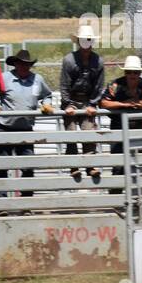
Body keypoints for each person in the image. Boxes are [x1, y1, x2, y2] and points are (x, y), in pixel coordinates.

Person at [0, 48, 54, 199]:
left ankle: (26, 198)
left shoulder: (37, 79)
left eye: (27, 64)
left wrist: (46, 103)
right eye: (21, 64)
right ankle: (1, 200)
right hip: (5, 128)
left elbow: (47, 94)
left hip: (26, 129)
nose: (24, 67)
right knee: (2, 165)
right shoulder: (4, 78)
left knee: (28, 165)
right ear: (15, 64)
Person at [101, 55, 142, 176]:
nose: (132, 75)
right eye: (129, 72)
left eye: (135, 72)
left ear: (140, 73)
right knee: (118, 165)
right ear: (125, 72)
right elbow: (103, 103)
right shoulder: (115, 85)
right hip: (118, 127)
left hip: (138, 128)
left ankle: (137, 193)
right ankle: (117, 192)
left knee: (139, 163)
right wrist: (122, 104)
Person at [60, 23, 105, 181]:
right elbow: (64, 84)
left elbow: (99, 86)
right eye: (84, 41)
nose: (86, 44)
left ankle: (90, 165)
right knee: (71, 134)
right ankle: (74, 166)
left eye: (89, 41)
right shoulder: (69, 60)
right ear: (79, 42)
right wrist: (67, 104)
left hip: (87, 101)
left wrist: (93, 104)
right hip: (72, 100)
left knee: (88, 133)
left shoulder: (98, 61)